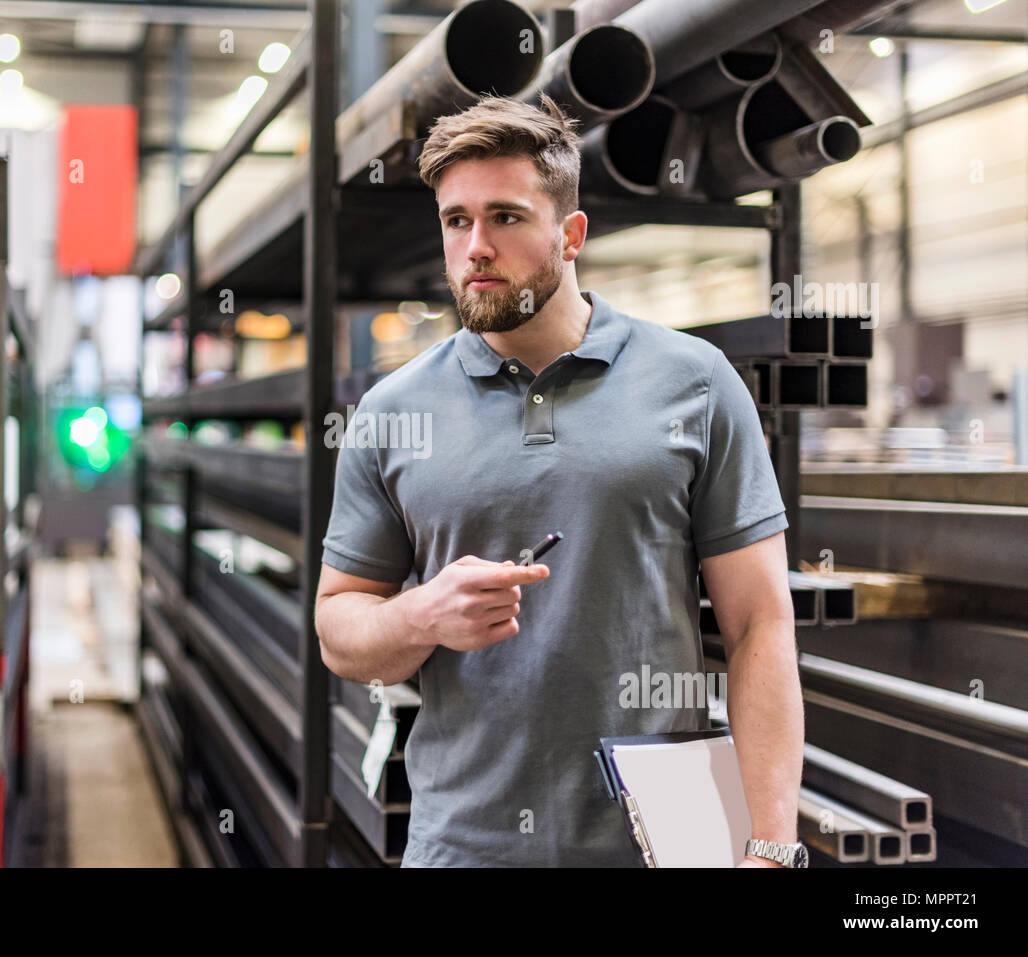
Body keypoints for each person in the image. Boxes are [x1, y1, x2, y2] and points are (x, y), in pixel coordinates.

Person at [314, 93, 803, 867]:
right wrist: (422, 617)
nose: (476, 246)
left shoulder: (696, 383)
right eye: (456, 220)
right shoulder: (391, 411)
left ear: (570, 234)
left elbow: (760, 625)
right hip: (464, 848)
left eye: (505, 217)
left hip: (663, 845)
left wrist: (772, 847)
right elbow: (339, 627)